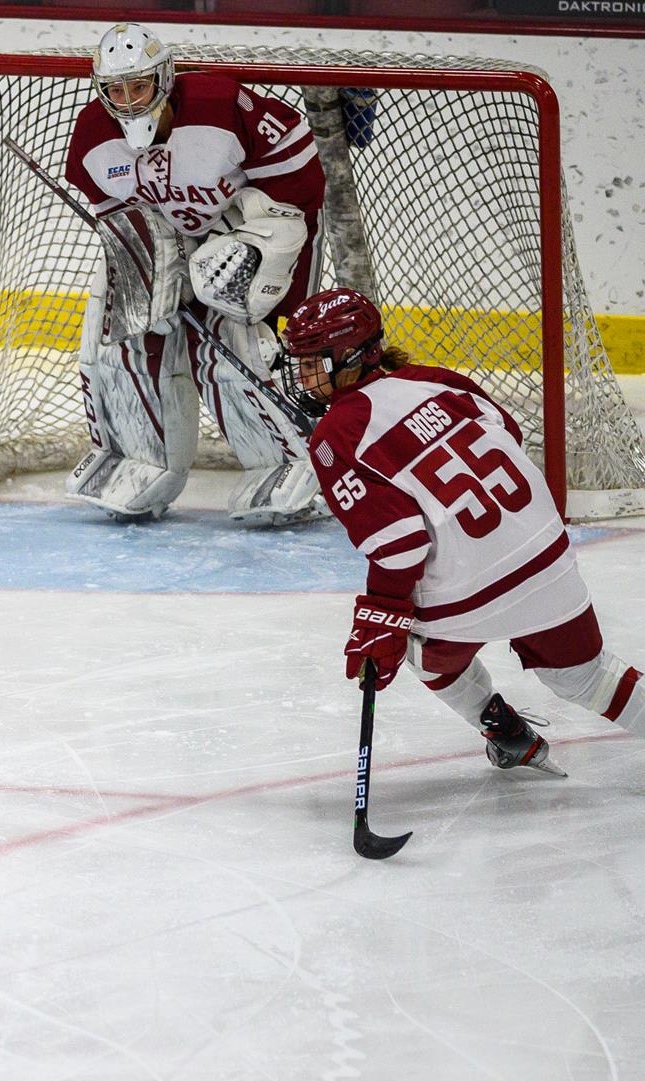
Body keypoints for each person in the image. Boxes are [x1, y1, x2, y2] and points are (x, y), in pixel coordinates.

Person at [280, 286, 643, 774]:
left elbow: (400, 545)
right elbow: (508, 435)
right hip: (549, 558)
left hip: (466, 595)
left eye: (312, 361)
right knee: (588, 679)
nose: (302, 375)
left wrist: (379, 621)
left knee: (419, 651)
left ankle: (507, 732)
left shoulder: (335, 435)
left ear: (353, 357)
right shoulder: (439, 381)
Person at [62, 22, 327, 525]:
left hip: (243, 225)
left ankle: (287, 463)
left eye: (138, 85)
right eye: (115, 89)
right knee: (126, 327)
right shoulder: (93, 139)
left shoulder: (219, 106)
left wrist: (264, 258)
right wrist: (149, 266)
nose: (128, 99)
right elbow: (122, 223)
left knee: (238, 342)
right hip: (168, 236)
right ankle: (142, 459)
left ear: (164, 79)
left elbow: (298, 187)